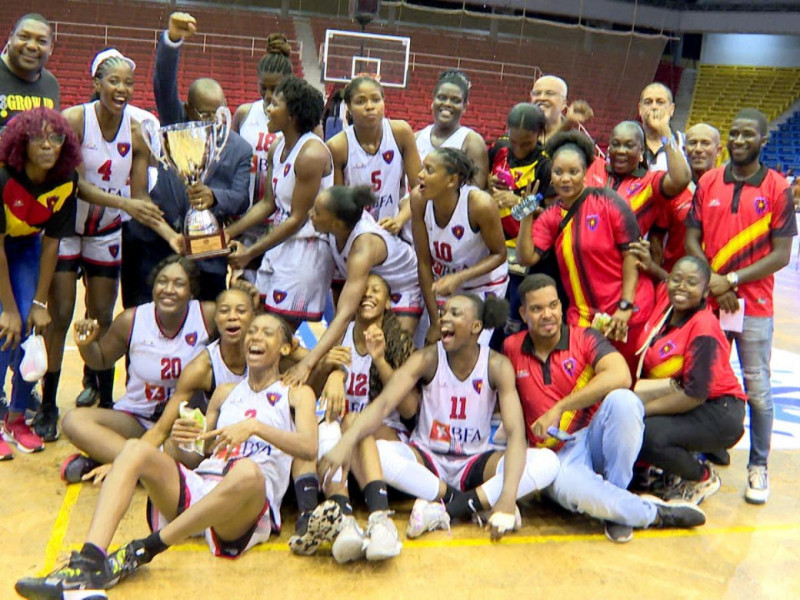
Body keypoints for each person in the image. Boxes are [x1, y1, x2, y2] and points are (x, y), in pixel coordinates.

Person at [15, 314, 318, 599]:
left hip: (244, 508)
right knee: (136, 449)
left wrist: (255, 427)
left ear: (285, 348)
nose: (256, 336)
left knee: (248, 471)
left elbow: (308, 448)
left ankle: (146, 548)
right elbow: (202, 453)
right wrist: (188, 440)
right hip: (203, 488)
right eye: (252, 331)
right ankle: (88, 563)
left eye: (267, 333)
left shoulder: (297, 394)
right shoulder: (226, 392)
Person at [319, 294, 561, 541]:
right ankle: (472, 503)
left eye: (455, 313)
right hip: (427, 457)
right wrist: (344, 443)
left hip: (474, 461)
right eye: (444, 312)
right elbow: (383, 405)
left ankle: (447, 508)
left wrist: (508, 499)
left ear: (476, 326)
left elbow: (516, 434)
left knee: (547, 462)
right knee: (375, 452)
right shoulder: (427, 358)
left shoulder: (497, 365)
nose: (444, 318)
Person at [503, 273, 707, 543]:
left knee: (624, 401)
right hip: (556, 456)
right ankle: (650, 513)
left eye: (553, 305)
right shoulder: (511, 347)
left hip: (594, 437)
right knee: (572, 493)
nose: (547, 315)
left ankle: (616, 497)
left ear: (561, 307)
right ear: (523, 313)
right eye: (537, 309)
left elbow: (621, 375)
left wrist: (559, 408)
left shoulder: (584, 337)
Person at [41, 49, 172, 442]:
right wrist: (126, 204)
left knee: (100, 313)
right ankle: (48, 401)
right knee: (61, 313)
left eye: (128, 83)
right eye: (113, 81)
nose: (122, 89)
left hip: (106, 231)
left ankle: (102, 392)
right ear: (96, 83)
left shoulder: (137, 131)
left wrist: (170, 233)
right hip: (66, 226)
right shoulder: (74, 120)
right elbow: (73, 184)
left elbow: (138, 197)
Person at [685, 108, 798, 505]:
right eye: (733, 133)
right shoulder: (709, 181)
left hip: (755, 305)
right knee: (703, 381)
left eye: (747, 134)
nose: (738, 140)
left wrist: (730, 280)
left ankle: (758, 466)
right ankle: (702, 456)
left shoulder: (778, 187)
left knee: (758, 387)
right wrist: (714, 281)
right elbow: (692, 239)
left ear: (764, 140)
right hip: (711, 301)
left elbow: (781, 254)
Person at [62, 286, 255, 484]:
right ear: (216, 319)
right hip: (192, 437)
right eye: (225, 311)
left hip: (248, 439)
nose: (232, 317)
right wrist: (125, 463)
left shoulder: (266, 354)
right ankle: (137, 468)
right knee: (182, 446)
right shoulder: (202, 367)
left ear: (254, 316)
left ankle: (119, 466)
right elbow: (163, 428)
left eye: (241, 311)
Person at [290, 274, 413, 562]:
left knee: (353, 420)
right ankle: (345, 519)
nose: (368, 295)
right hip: (334, 434)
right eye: (362, 290)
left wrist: (380, 359)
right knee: (333, 424)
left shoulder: (397, 339)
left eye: (376, 291)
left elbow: (408, 408)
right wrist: (330, 370)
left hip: (380, 435)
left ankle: (378, 520)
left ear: (388, 302)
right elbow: (305, 395)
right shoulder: (328, 334)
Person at [58, 256, 215, 476]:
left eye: (179, 284)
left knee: (196, 454)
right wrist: (86, 345)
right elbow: (101, 360)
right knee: (73, 421)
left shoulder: (207, 315)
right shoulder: (131, 320)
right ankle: (150, 467)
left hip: (181, 424)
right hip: (136, 419)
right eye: (162, 282)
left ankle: (115, 463)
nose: (168, 289)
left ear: (191, 292)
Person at [516, 131, 654, 371]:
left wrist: (625, 307)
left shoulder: (608, 201)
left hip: (626, 312)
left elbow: (631, 256)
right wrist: (526, 218)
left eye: (573, 172)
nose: (565, 179)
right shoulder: (551, 216)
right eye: (558, 172)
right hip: (583, 318)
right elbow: (526, 257)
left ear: (585, 173)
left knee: (623, 380)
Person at [142, 11, 252, 301]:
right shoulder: (177, 124)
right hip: (165, 244)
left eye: (220, 111)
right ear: (188, 109)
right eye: (205, 113)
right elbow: (163, 85)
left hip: (209, 251)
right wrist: (172, 41)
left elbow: (241, 198)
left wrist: (213, 197)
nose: (214, 120)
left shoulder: (240, 148)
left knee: (209, 315)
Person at [629, 250, 746, 505]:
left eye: (692, 283)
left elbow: (694, 395)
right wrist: (652, 265)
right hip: (687, 399)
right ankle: (669, 473)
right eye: (677, 280)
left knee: (646, 434)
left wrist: (642, 410)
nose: (681, 287)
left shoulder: (704, 328)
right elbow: (665, 279)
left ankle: (701, 477)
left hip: (719, 410)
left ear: (705, 293)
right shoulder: (667, 300)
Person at [0, 108, 79, 460]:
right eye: (39, 138)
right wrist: (9, 309)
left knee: (30, 331)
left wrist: (38, 304)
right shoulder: (3, 178)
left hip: (27, 246)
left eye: (56, 138)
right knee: (5, 330)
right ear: (21, 143)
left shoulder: (66, 180)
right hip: (1, 249)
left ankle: (17, 419)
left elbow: (51, 244)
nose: (49, 145)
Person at [283, 186, 421, 386]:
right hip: (373, 285)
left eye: (317, 212)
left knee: (393, 357)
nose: (311, 214)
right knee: (342, 353)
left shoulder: (362, 249)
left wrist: (306, 364)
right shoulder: (344, 219)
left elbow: (345, 314)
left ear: (336, 224)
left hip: (404, 288)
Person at [226, 76, 333, 327]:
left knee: (279, 330)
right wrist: (228, 233)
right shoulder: (277, 146)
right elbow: (268, 204)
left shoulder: (311, 154)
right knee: (261, 321)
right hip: (280, 244)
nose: (268, 108)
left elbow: (297, 219)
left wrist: (250, 252)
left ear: (292, 114)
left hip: (306, 249)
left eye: (275, 104)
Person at [411, 148, 508, 345]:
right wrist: (435, 320)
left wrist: (459, 278)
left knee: (465, 348)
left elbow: (500, 254)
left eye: (429, 170)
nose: (420, 175)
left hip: (483, 285)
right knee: (431, 346)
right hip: (444, 284)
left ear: (452, 180)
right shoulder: (418, 199)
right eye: (422, 168)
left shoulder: (480, 204)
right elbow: (423, 262)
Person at [488, 103, 555, 337]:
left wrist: (519, 201)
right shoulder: (499, 149)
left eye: (526, 144)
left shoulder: (546, 166)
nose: (518, 149)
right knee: (489, 313)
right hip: (491, 245)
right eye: (514, 142)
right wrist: (487, 184)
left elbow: (552, 214)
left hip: (522, 253)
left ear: (540, 134)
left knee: (511, 319)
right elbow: (478, 185)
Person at [327, 75, 421, 235]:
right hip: (356, 230)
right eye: (360, 101)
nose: (369, 106)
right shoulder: (338, 146)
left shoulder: (401, 132)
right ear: (348, 107)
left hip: (396, 228)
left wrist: (399, 219)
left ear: (384, 102)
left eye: (376, 100)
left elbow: (420, 189)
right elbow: (339, 204)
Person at [585, 119, 691, 238]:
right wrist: (569, 121)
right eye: (615, 144)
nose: (621, 151)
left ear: (641, 151)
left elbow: (681, 178)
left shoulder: (650, 183)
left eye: (629, 146)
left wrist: (666, 135)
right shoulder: (594, 165)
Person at [232, 33, 294, 208]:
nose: (268, 95)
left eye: (275, 88)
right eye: (263, 87)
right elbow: (230, 161)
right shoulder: (244, 114)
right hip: (244, 208)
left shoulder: (300, 120)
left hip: (282, 211)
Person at [650, 123, 722, 272]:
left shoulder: (729, 187)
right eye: (693, 143)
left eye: (705, 143)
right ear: (684, 150)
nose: (698, 149)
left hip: (716, 278)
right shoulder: (671, 188)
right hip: (676, 276)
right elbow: (656, 240)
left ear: (719, 151)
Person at [416, 69, 489, 189]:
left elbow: (476, 191)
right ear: (433, 101)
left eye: (456, 100)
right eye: (442, 97)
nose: (447, 104)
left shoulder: (472, 142)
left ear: (464, 107)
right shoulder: (416, 138)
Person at [0, 14, 58, 132]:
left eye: (41, 41)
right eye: (24, 37)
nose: (32, 46)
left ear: (51, 49)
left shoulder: (51, 84)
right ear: (10, 39)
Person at [529, 74, 593, 144]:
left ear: (563, 103)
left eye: (550, 93)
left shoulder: (576, 141)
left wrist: (568, 123)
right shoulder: (521, 132)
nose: (542, 98)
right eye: (537, 93)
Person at [638, 82, 686, 172]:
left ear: (671, 109)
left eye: (660, 102)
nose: (654, 107)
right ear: (640, 109)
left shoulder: (685, 142)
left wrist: (665, 134)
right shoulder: (626, 142)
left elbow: (685, 177)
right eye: (648, 102)